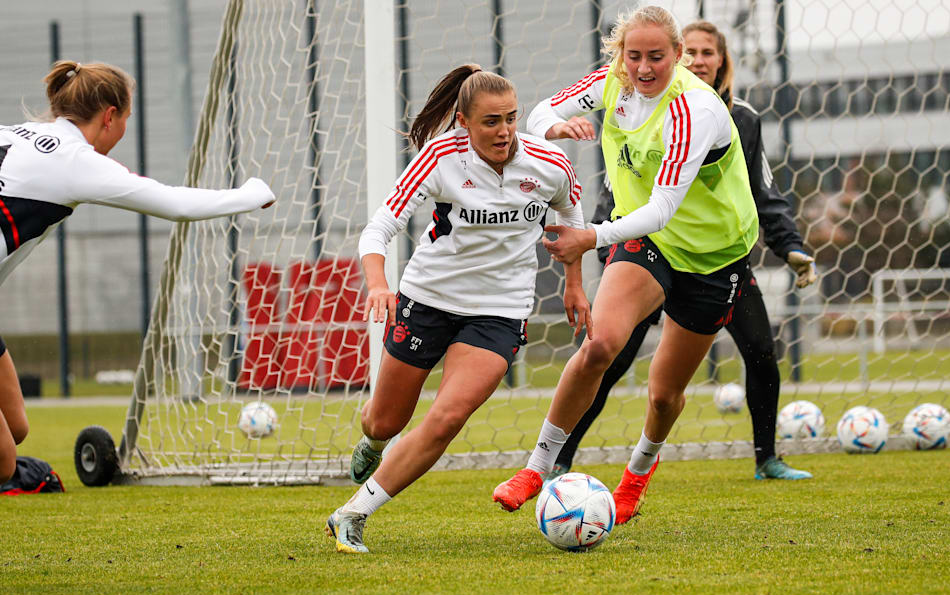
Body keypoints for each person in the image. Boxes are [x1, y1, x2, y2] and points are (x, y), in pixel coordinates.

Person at [0, 60, 276, 594]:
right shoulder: (76, 162)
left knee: (11, 423)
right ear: (109, 116)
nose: (122, 131)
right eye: (125, 119)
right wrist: (251, 193)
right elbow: (176, 204)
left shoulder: (6, 135)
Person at [490, 5, 763, 524]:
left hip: (714, 256)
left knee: (664, 395)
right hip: (650, 243)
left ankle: (635, 477)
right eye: (632, 55)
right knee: (601, 345)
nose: (642, 68)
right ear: (620, 54)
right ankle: (537, 467)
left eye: (656, 57)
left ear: (678, 56)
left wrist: (589, 237)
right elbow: (542, 110)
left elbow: (662, 207)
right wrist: (558, 128)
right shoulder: (614, 81)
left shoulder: (696, 110)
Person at [325, 65, 591, 554]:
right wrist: (379, 285)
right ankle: (375, 442)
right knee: (385, 421)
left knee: (448, 418)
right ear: (464, 122)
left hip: (500, 309)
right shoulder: (440, 156)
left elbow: (571, 222)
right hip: (427, 299)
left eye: (511, 118)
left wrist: (574, 285)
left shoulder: (550, 164)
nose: (505, 131)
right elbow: (377, 229)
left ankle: (352, 515)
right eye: (491, 121)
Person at [545, 20, 819, 482]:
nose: (697, 59)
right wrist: (601, 237)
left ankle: (766, 458)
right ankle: (558, 459)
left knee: (759, 353)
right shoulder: (633, 103)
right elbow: (622, 178)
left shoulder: (740, 117)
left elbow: (760, 190)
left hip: (717, 258)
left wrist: (789, 244)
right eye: (690, 50)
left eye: (706, 51)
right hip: (651, 248)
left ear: (719, 59)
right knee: (606, 355)